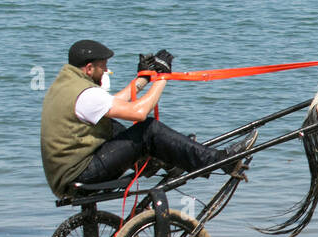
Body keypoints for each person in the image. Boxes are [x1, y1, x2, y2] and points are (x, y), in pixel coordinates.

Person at [40, 39, 257, 198]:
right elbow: (139, 113)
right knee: (148, 129)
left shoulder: (68, 85)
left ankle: (169, 156)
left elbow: (112, 103)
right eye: (103, 66)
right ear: (89, 68)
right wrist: (162, 78)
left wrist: (142, 80)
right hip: (81, 174)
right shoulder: (86, 94)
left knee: (113, 125)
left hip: (66, 175)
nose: (106, 70)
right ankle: (219, 161)